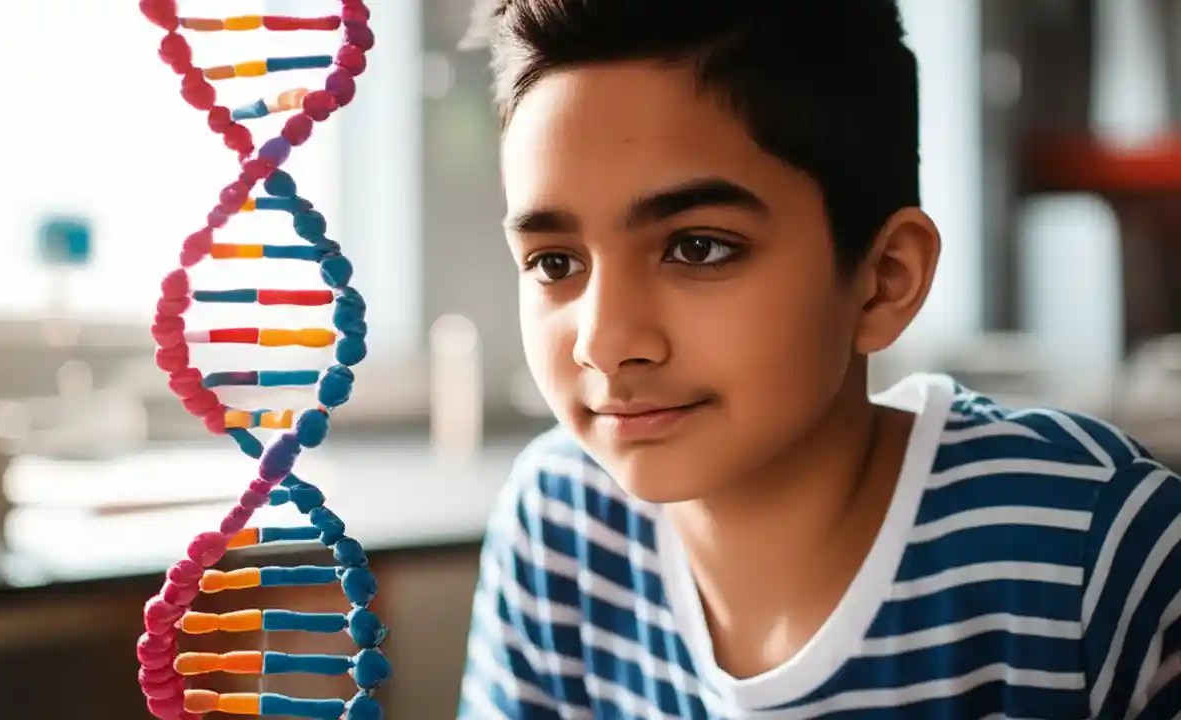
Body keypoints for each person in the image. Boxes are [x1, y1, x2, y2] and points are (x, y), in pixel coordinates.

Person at [453, 1, 1181, 717]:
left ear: (883, 279)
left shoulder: (1096, 552)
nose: (603, 342)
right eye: (554, 264)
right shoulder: (558, 528)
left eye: (698, 248)